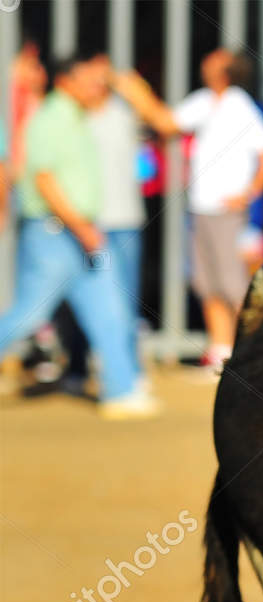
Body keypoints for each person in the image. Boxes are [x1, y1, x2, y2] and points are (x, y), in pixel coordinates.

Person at [0, 51, 155, 417]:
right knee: (29, 315)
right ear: (65, 81)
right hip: (56, 235)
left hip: (81, 233)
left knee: (110, 311)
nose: (97, 87)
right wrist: (82, 227)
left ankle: (122, 390)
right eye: (89, 80)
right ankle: (122, 389)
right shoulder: (51, 119)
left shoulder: (76, 117)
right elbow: (44, 179)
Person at [171, 50, 263, 374]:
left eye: (215, 59)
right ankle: (221, 352)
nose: (205, 61)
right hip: (201, 209)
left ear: (226, 71)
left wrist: (248, 193)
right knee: (207, 283)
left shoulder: (238, 105)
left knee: (234, 285)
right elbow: (167, 121)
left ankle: (253, 355)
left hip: (226, 213)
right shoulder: (204, 100)